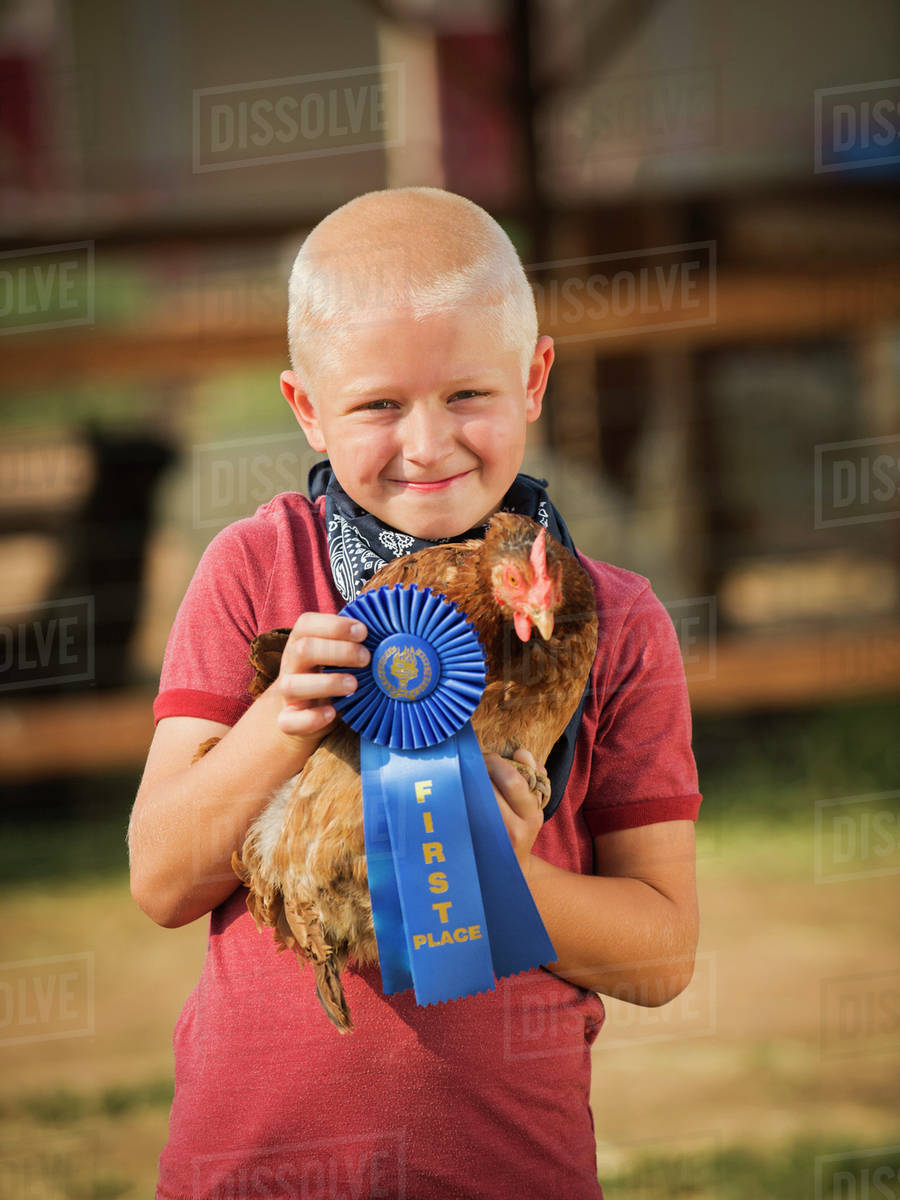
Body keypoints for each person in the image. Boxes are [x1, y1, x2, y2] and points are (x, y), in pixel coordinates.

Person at [129, 186, 702, 1200]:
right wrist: (282, 717)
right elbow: (163, 880)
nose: (428, 444)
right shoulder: (257, 570)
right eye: (379, 404)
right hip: (253, 1171)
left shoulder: (618, 621)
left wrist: (504, 876)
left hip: (506, 1168)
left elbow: (661, 958)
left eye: (467, 396)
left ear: (535, 380)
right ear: (307, 407)